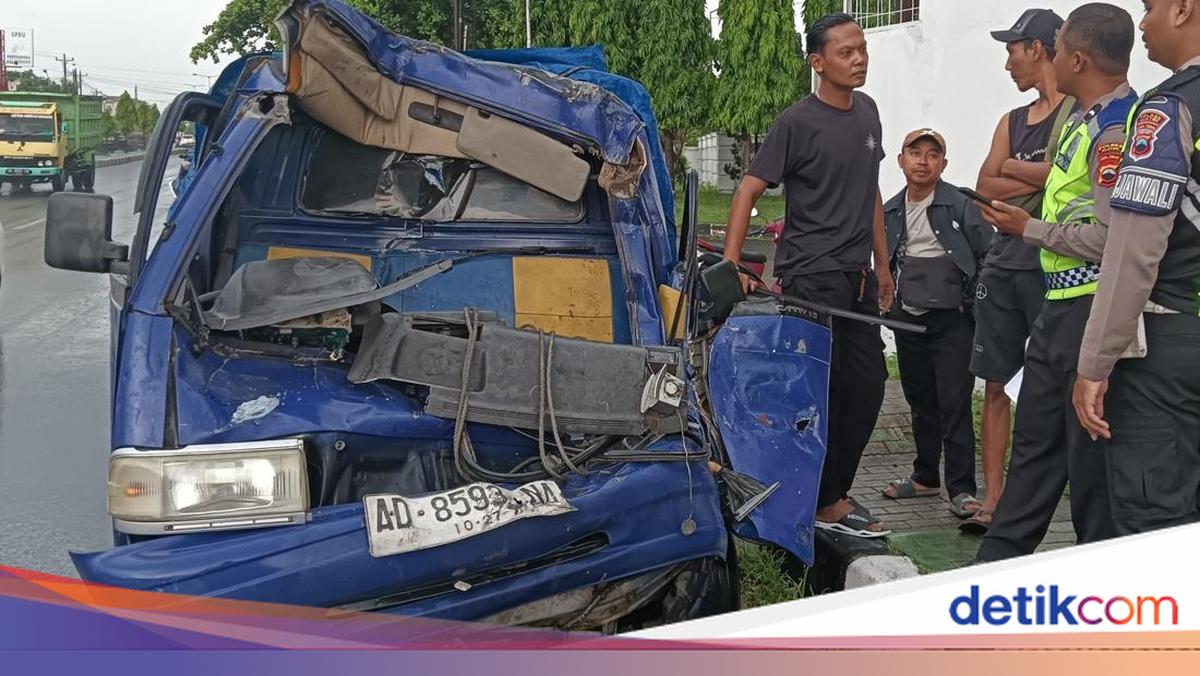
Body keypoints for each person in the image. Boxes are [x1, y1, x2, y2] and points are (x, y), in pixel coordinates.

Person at [975, 2, 1139, 561]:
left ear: (1074, 57)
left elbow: (1118, 239)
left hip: (1091, 312)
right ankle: (985, 584)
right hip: (1061, 307)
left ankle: (1099, 596)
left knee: (1089, 472)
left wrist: (1032, 229)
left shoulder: (1117, 132)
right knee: (1034, 459)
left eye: (1057, 44)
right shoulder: (1084, 122)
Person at [721, 13, 892, 538]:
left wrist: (883, 266)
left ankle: (828, 494)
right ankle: (806, 499)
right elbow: (748, 190)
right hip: (809, 277)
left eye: (862, 48)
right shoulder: (797, 122)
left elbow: (871, 193)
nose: (859, 58)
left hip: (856, 277)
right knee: (809, 395)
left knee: (866, 386)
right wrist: (731, 263)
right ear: (818, 63)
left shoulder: (868, 112)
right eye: (846, 52)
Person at [1073, 0, 1200, 536]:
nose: (1141, 24)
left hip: (1172, 344)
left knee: (1157, 519)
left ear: (1183, 9)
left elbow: (1132, 250)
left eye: (1149, 8)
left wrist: (1094, 363)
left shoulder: (1166, 111)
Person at [967, 8, 1075, 533]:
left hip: (1057, 271)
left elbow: (1064, 177)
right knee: (994, 384)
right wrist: (1024, 173)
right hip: (1004, 266)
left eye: (1013, 50)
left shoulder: (1078, 116)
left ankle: (1054, 495)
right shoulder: (1011, 120)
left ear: (1037, 48)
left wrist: (1009, 167)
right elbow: (984, 186)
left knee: (1056, 387)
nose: (1008, 62)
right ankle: (994, 499)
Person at [879, 129, 993, 518]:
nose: (923, 161)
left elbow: (988, 254)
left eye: (932, 155)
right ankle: (926, 475)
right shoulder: (891, 210)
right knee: (920, 399)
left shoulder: (959, 205)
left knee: (954, 402)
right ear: (901, 161)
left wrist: (971, 301)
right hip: (908, 319)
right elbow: (882, 260)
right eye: (915, 153)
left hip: (953, 320)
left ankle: (962, 488)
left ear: (943, 164)